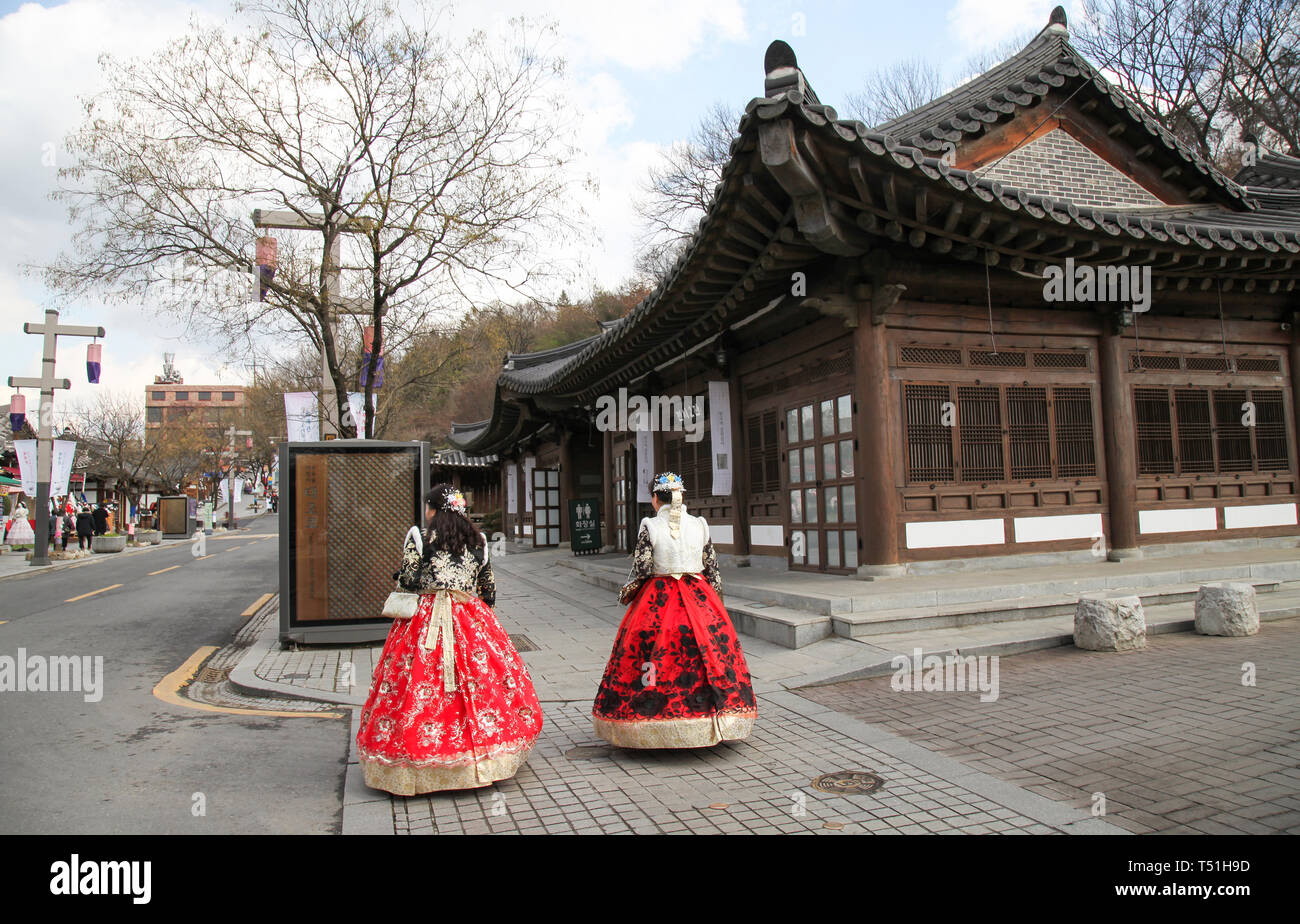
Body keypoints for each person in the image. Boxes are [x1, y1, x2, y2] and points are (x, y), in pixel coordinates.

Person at [356, 483, 543, 795]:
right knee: (480, 681)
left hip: (426, 619)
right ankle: (484, 758)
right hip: (468, 615)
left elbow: (409, 579)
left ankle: (418, 760)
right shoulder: (479, 540)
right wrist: (481, 619)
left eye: (428, 507)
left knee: (417, 682)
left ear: (433, 509)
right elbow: (489, 589)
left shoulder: (419, 536)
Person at [592, 472, 757, 748]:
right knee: (708, 654)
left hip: (658, 599)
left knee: (650, 655)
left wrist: (628, 592)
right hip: (699, 595)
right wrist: (715, 608)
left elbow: (642, 568)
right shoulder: (700, 525)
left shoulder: (650, 525)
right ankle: (715, 718)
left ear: (656, 499)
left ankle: (651, 722)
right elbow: (712, 570)